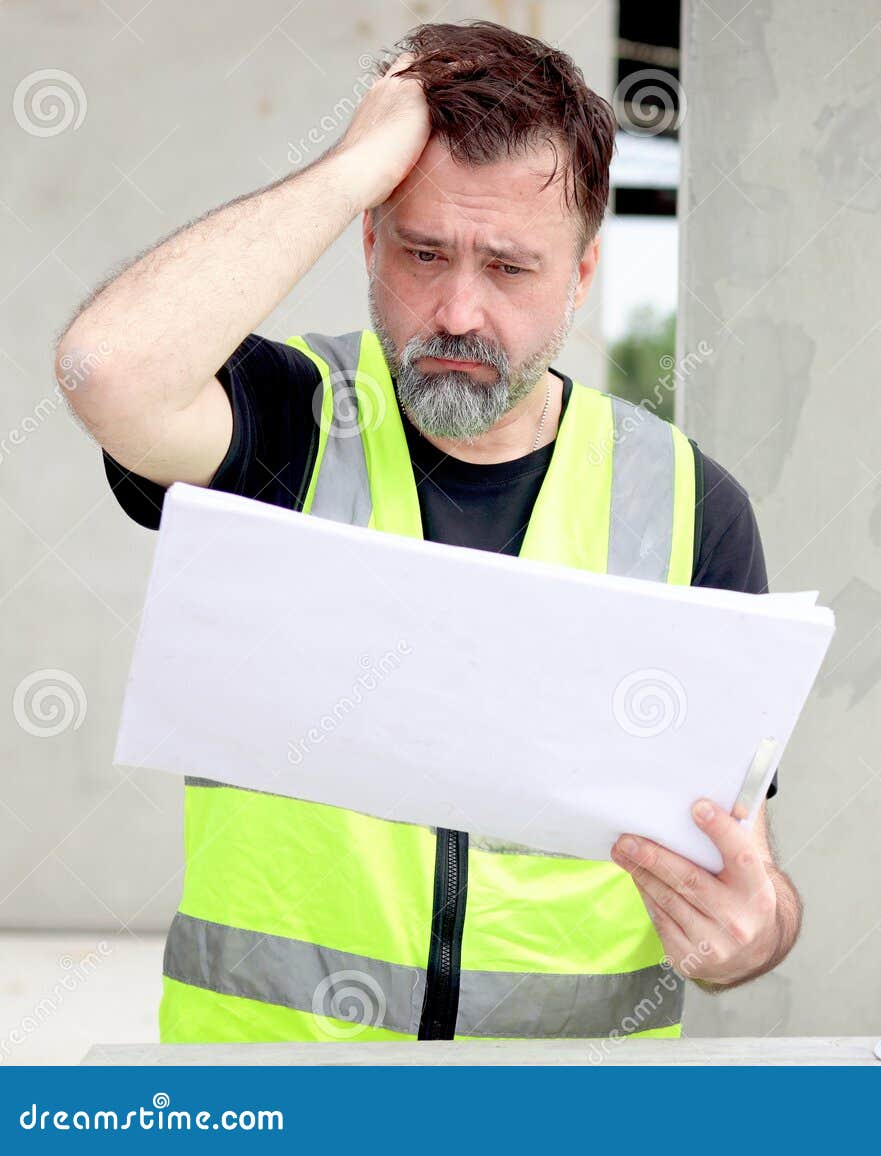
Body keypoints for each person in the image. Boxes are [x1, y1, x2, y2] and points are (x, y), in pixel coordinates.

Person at [54, 19, 800, 1043]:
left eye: (510, 268)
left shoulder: (685, 505)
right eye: (422, 251)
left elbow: (746, 864)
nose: (457, 311)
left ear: (582, 277)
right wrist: (350, 169)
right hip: (276, 1102)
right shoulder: (285, 423)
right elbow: (104, 369)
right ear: (369, 240)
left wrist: (756, 935)